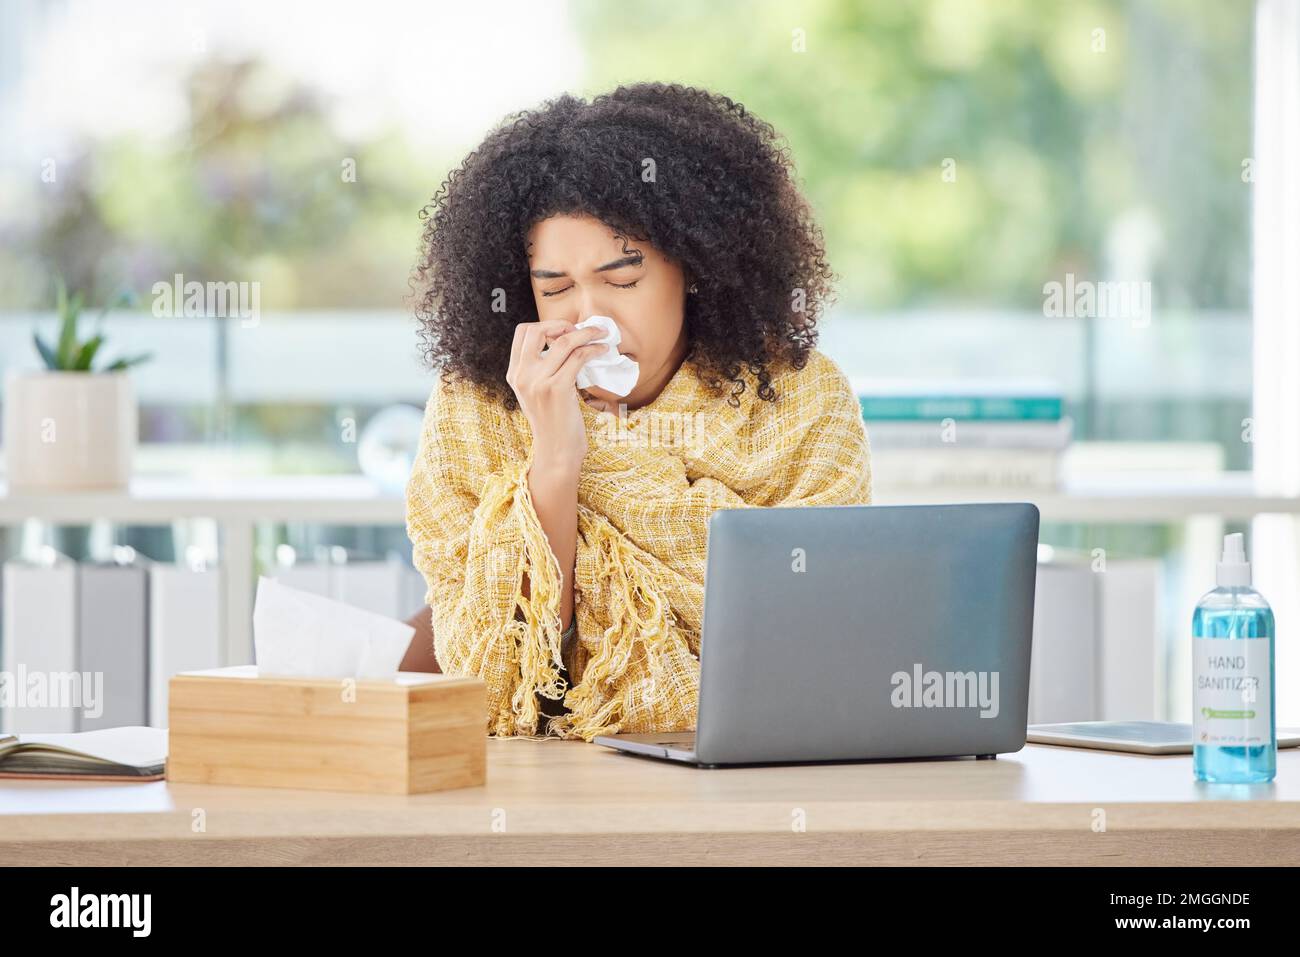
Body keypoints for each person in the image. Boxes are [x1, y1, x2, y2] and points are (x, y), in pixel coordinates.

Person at [403, 82, 872, 741]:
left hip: (757, 771)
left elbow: (827, 640)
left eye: (622, 279)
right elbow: (511, 695)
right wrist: (556, 462)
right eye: (555, 287)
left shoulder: (802, 403)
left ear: (697, 266)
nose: (589, 317)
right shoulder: (475, 412)